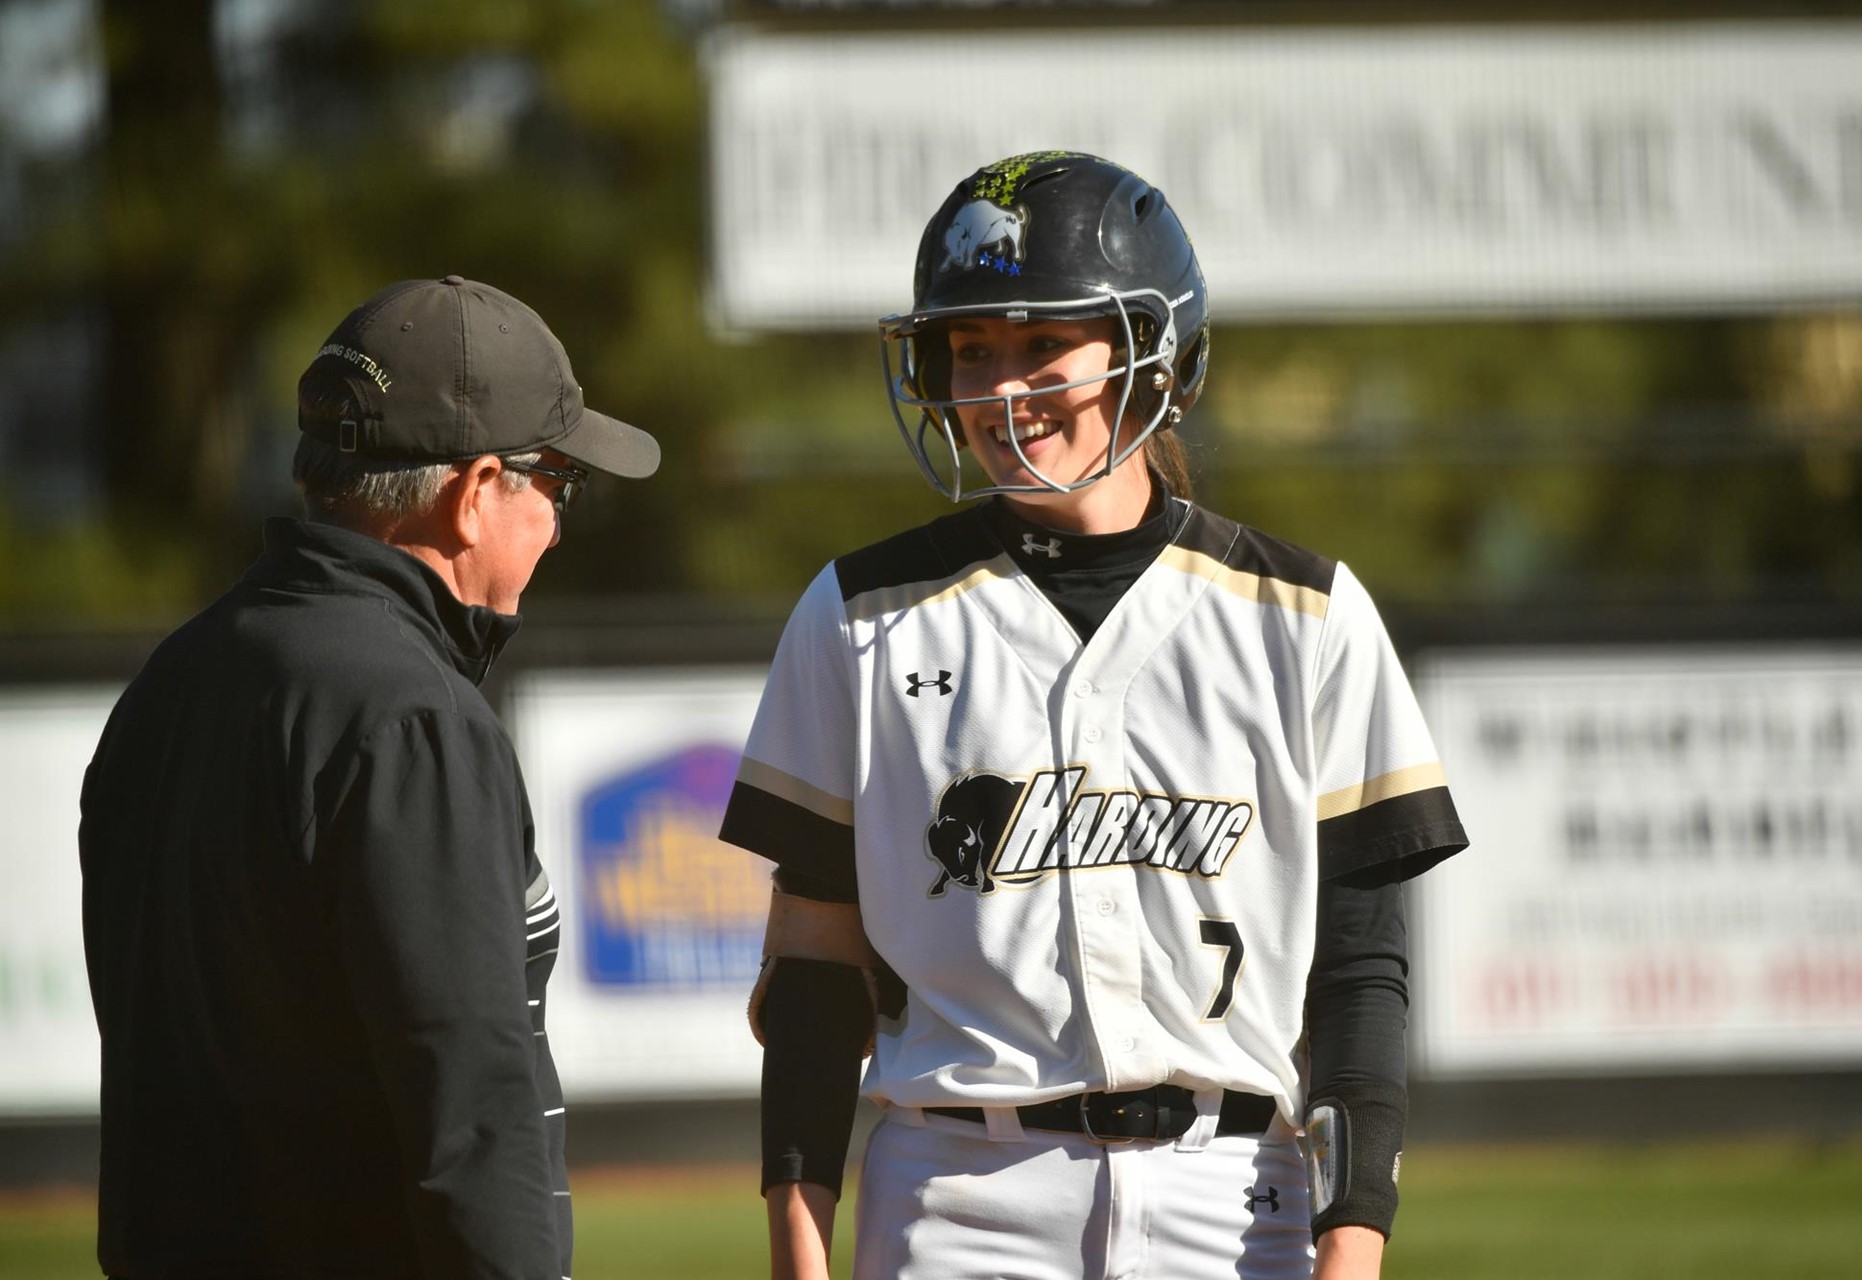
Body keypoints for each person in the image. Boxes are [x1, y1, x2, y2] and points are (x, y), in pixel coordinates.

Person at [718, 152, 1468, 1280]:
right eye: (971, 349)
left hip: (1236, 1200)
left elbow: (1361, 971)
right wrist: (798, 1244)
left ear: (1148, 352)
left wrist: (1350, 1244)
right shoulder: (859, 614)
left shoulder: (1303, 613)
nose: (1003, 387)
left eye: (1041, 343)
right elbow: (816, 974)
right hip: (957, 1199)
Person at [79, 275, 659, 1280]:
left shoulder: (171, 682)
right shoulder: (411, 715)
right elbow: (470, 1107)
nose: (558, 523)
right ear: (476, 492)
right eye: (554, 483)